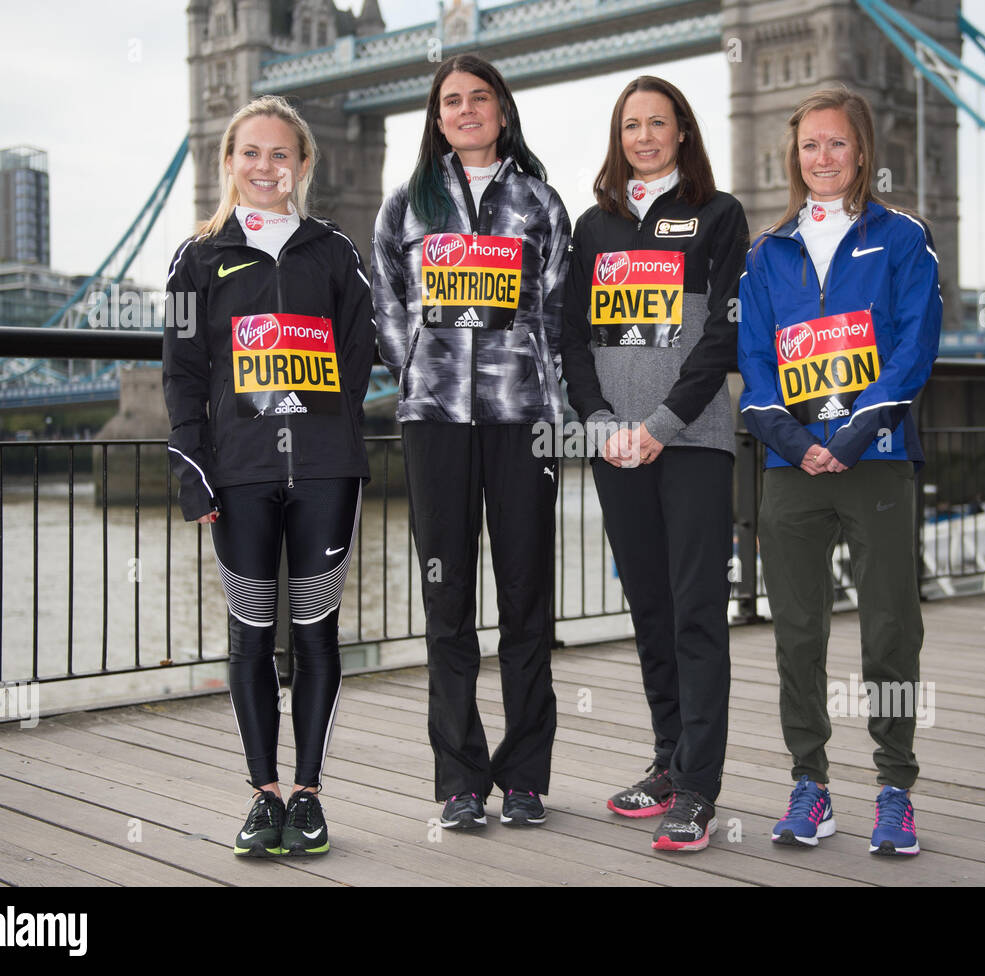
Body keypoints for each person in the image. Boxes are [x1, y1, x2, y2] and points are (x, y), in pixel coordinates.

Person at [162, 95, 376, 856]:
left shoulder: (335, 252)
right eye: (249, 153)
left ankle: (310, 795)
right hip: (239, 474)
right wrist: (194, 466)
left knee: (316, 633)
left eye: (280, 153)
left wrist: (321, 425)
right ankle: (263, 795)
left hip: (325, 470)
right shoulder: (196, 259)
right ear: (228, 163)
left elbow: (358, 354)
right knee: (251, 635)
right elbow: (183, 373)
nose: (264, 167)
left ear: (304, 164)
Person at [737, 87, 941, 855]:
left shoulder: (902, 241)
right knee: (798, 631)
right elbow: (753, 364)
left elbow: (914, 350)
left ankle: (895, 787)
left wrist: (851, 436)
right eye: (809, 146)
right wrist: (796, 441)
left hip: (876, 461)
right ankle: (810, 784)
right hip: (792, 468)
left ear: (863, 154)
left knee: (891, 628)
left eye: (837, 145)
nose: (822, 158)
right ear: (795, 156)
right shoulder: (767, 253)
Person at [371, 55, 570, 830]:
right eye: (450, 101)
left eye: (477, 98)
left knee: (526, 600)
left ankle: (523, 777)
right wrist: (415, 365)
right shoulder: (406, 207)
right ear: (437, 116)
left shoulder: (541, 203)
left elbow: (558, 309)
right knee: (445, 599)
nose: (464, 111)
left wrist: (541, 383)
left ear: (502, 110)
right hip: (435, 424)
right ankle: (460, 780)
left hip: (523, 421)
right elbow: (386, 304)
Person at [560, 75, 748, 852]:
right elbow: (571, 337)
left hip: (692, 442)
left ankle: (699, 791)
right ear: (619, 137)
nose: (643, 137)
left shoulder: (718, 215)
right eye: (631, 125)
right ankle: (670, 760)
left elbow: (723, 338)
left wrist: (664, 425)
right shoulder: (593, 226)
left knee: (697, 611)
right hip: (615, 447)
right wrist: (600, 422)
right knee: (650, 611)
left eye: (657, 124)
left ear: (682, 132)